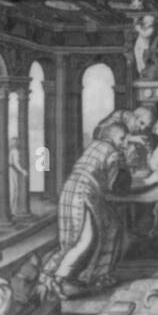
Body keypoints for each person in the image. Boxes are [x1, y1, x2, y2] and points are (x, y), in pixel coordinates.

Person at [43, 122, 129, 297]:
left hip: (74, 188)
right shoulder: (112, 152)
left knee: (112, 226)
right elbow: (113, 186)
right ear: (112, 136)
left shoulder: (95, 146)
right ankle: (60, 278)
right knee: (84, 239)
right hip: (83, 192)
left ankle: (100, 274)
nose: (124, 142)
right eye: (122, 138)